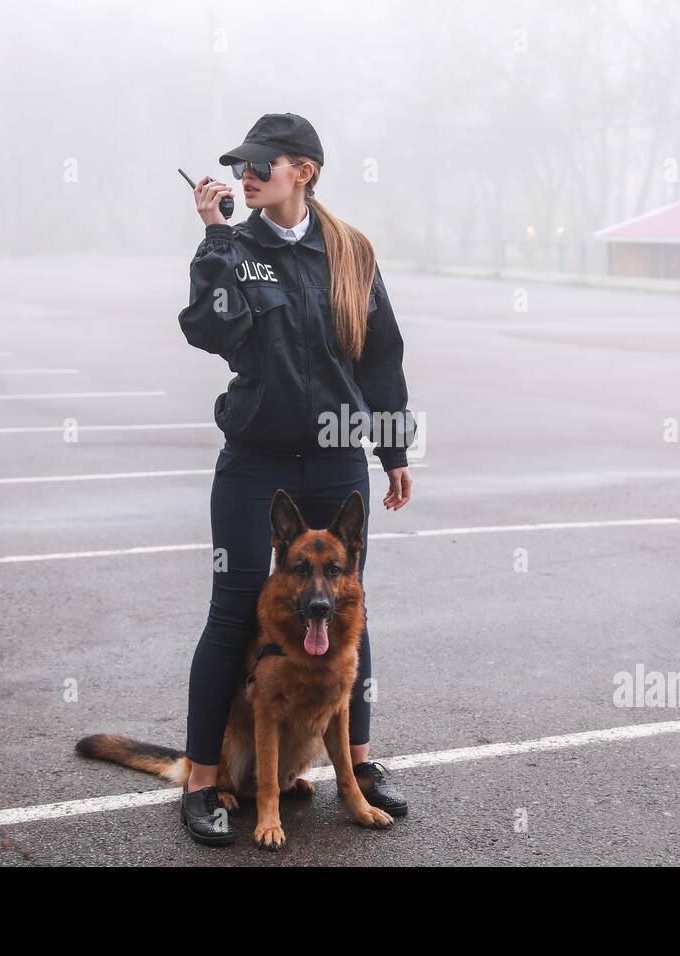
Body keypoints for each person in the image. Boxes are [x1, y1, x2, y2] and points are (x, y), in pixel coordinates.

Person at [176, 112, 416, 846]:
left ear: (302, 171)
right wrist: (215, 238)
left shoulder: (350, 251)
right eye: (240, 167)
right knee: (232, 609)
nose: (245, 177)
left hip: (339, 452)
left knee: (345, 605)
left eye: (260, 166)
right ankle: (203, 781)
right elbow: (209, 330)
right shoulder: (236, 248)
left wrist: (393, 449)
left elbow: (380, 357)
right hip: (258, 458)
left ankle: (361, 766)